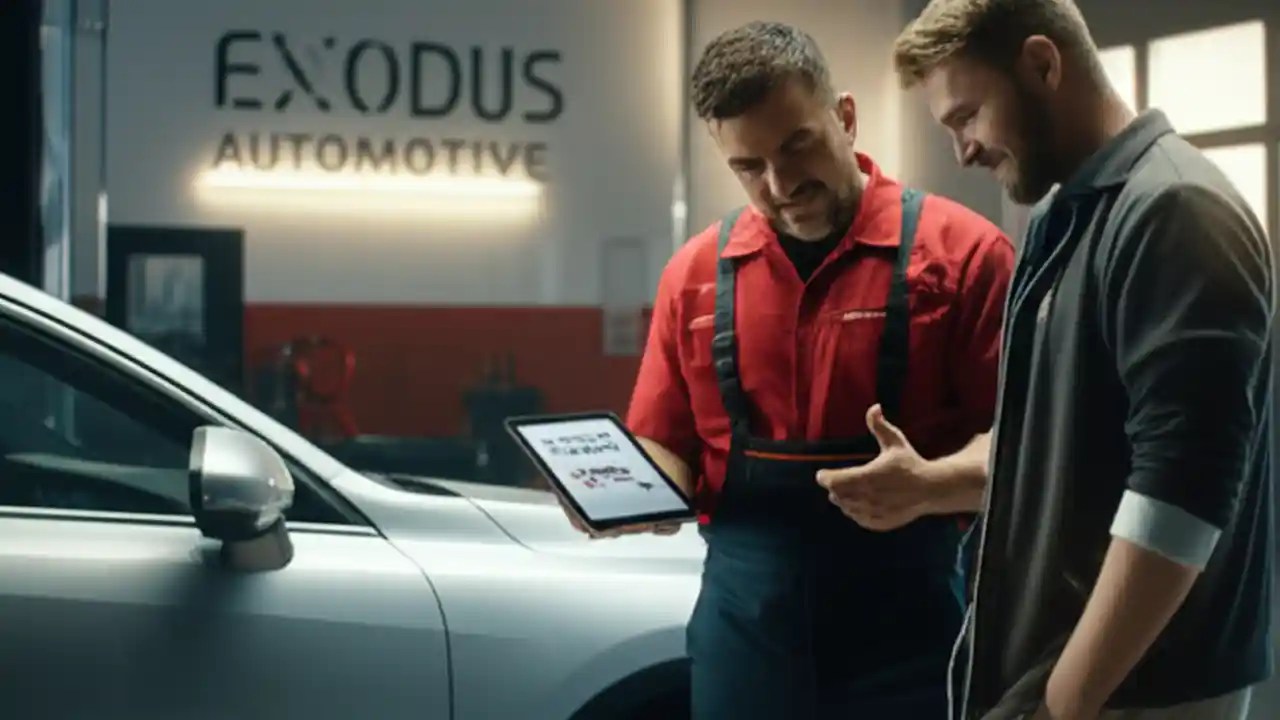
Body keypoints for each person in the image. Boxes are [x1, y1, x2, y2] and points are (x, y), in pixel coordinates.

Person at [859, 1, 1276, 718]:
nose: (963, 150)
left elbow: (1180, 495)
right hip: (1076, 677)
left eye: (967, 117)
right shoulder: (1070, 214)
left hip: (1141, 692)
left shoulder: (1175, 208)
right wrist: (932, 485)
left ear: (1042, 64)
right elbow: (1061, 434)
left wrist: (1063, 703)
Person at [600, 20, 1014, 719]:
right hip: (744, 636)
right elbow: (665, 441)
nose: (782, 184)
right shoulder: (693, 277)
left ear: (845, 118)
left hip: (914, 640)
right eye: (749, 167)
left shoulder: (967, 255)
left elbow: (1034, 446)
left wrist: (931, 485)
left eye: (798, 146)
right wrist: (633, 493)